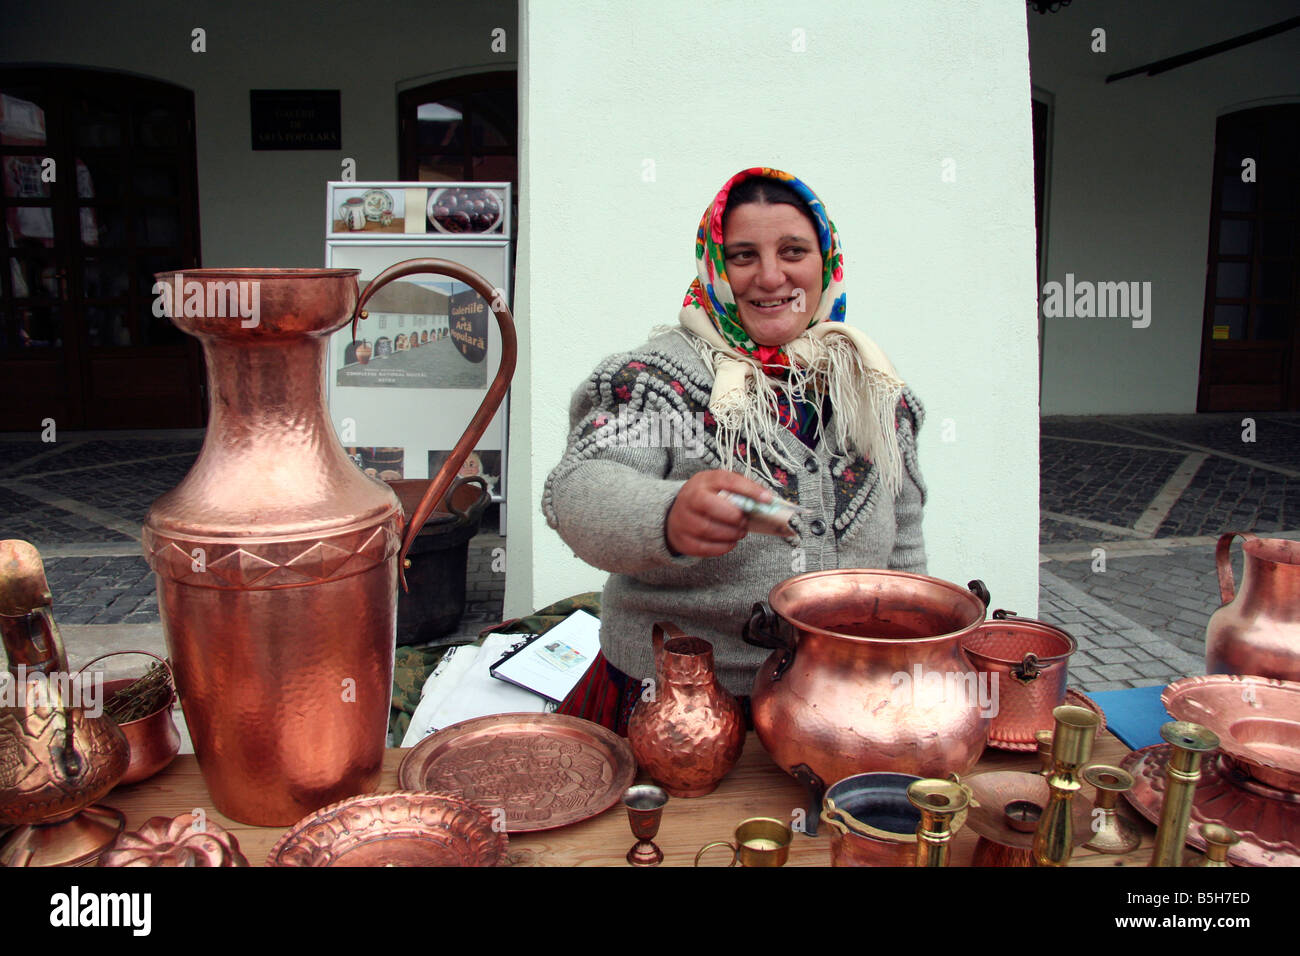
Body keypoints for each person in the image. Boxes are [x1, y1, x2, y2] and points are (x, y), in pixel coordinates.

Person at [542, 167, 927, 734]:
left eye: (793, 250)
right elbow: (578, 488)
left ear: (827, 261)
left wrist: (913, 659)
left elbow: (905, 548)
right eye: (744, 256)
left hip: (842, 706)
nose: (771, 277)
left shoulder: (871, 387)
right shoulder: (653, 381)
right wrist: (667, 515)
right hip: (674, 709)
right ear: (716, 268)